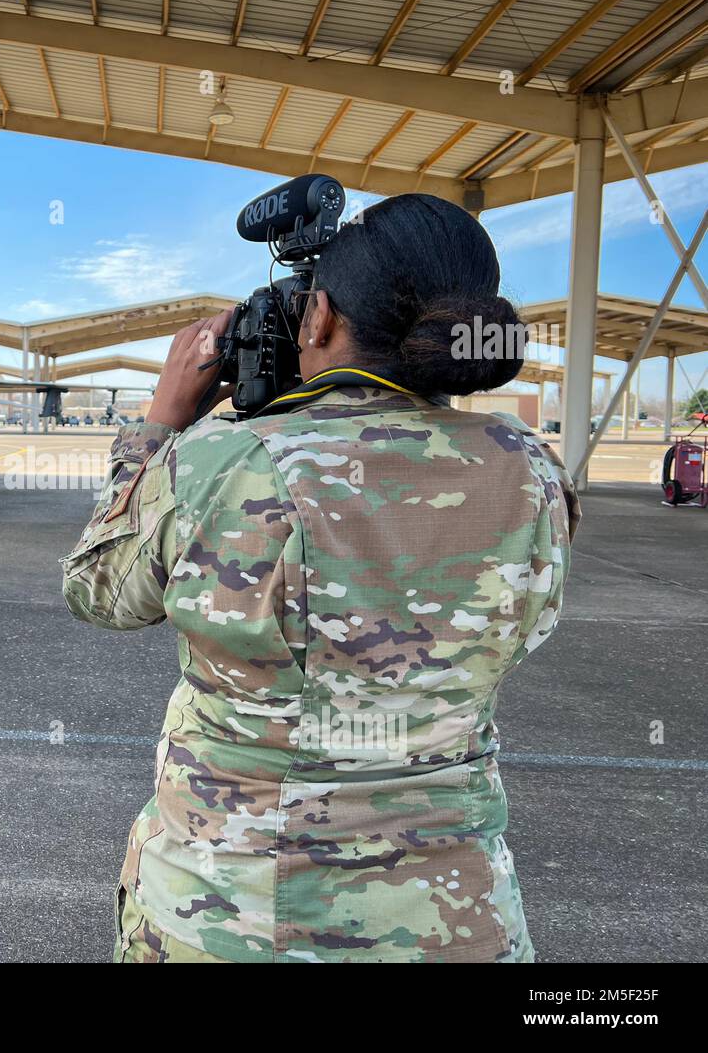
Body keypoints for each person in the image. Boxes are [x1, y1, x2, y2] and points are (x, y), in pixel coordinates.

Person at [61, 193, 581, 963]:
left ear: (319, 320)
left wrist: (161, 425)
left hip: (233, 917)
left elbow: (98, 586)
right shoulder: (532, 469)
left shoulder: (225, 461)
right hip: (455, 920)